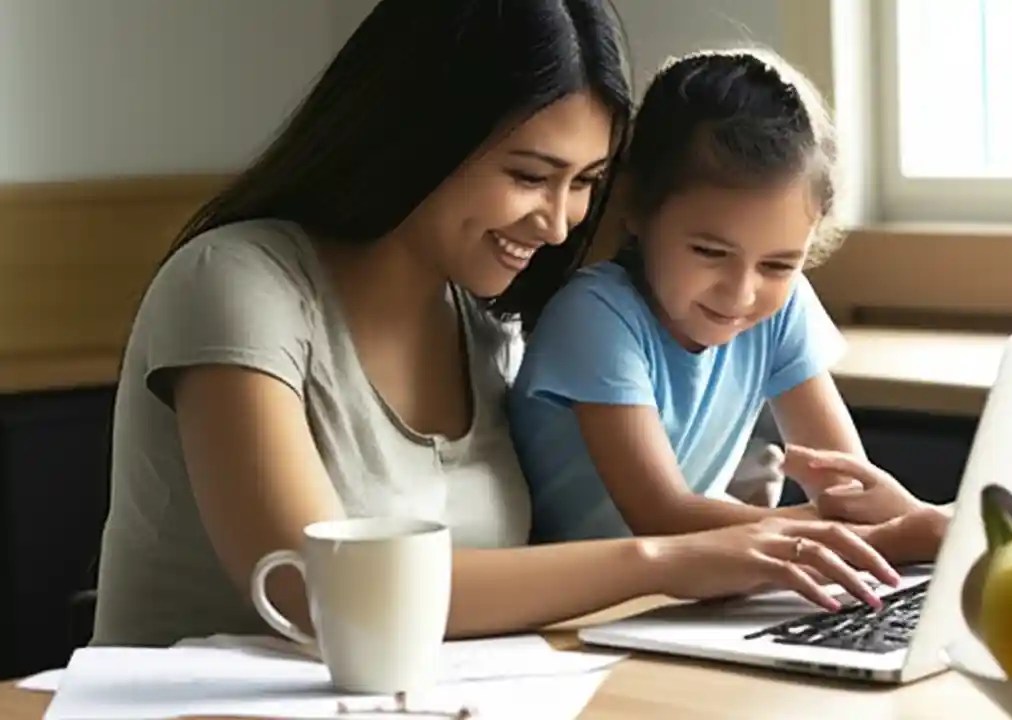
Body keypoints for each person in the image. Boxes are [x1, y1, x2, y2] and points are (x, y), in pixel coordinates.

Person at [91, 0, 910, 649]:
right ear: (420, 132)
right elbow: (319, 590)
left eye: (586, 182)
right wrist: (669, 555)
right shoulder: (237, 282)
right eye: (530, 175)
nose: (559, 224)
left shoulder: (488, 333)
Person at [508, 49, 949, 562]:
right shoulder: (595, 315)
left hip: (690, 592)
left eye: (779, 265)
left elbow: (845, 484)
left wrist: (907, 515)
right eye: (710, 253)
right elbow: (663, 515)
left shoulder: (782, 308)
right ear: (636, 207)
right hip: (576, 609)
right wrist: (876, 537)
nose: (741, 293)